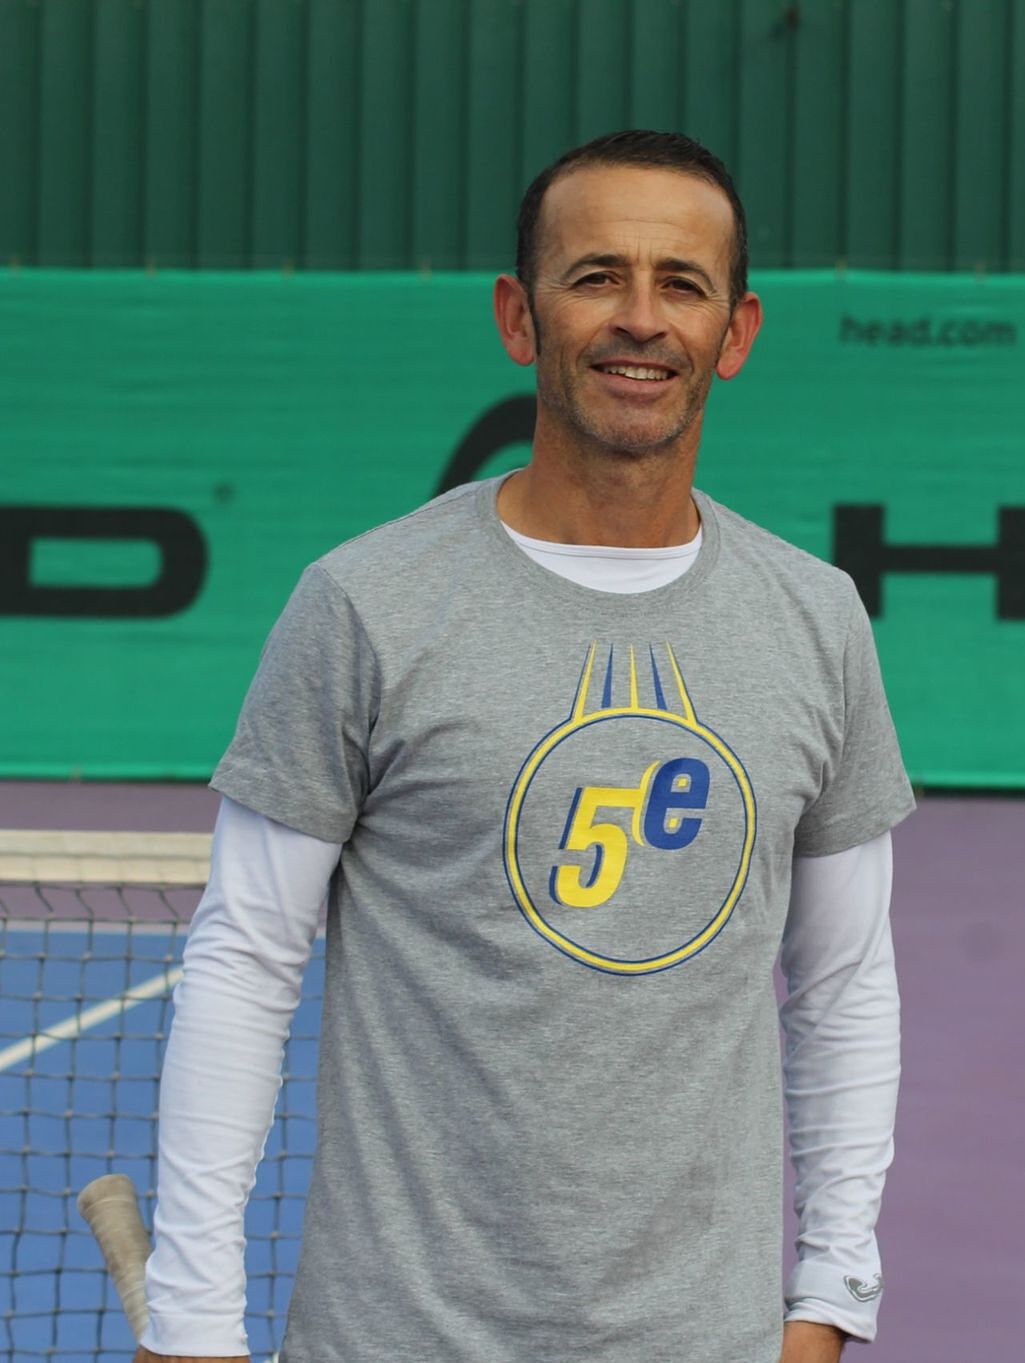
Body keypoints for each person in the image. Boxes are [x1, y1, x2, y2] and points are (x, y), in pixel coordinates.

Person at [135, 130, 914, 1363]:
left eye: (682, 283)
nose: (640, 319)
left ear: (738, 331)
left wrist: (830, 1301)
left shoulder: (816, 621)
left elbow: (843, 988)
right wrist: (188, 1321)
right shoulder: (364, 603)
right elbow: (244, 959)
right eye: (596, 275)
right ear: (519, 313)